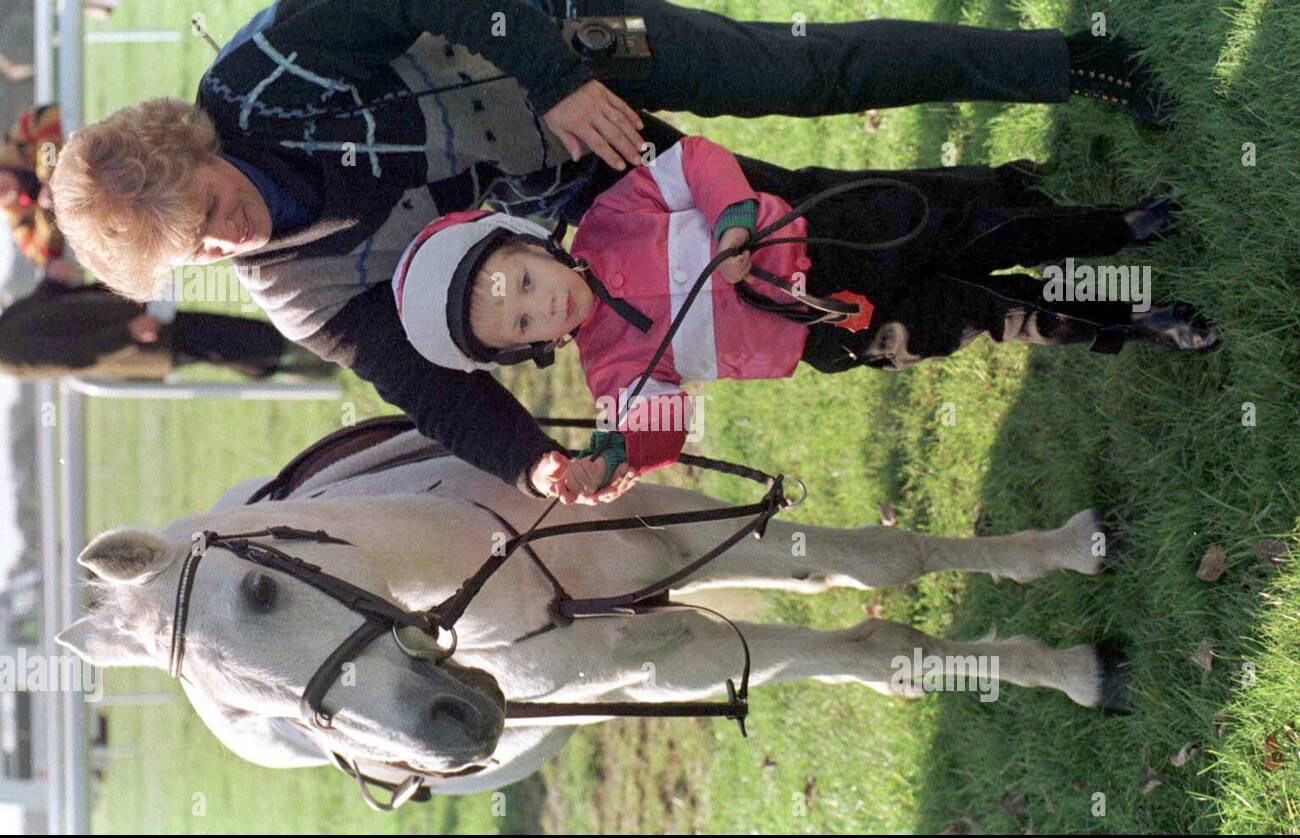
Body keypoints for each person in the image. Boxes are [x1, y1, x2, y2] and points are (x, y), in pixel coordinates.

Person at [48, 0, 1174, 502]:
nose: (222, 235)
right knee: (830, 243)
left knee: (795, 74)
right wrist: (530, 461)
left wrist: (557, 76)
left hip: (571, 44)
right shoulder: (290, 288)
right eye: (193, 251)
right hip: (606, 210)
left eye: (205, 204)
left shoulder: (265, 69)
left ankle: (1071, 64)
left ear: (187, 143)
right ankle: (1067, 243)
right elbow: (413, 380)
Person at [390, 135, 1219, 496]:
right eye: (525, 325)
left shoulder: (616, 213)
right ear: (527, 352)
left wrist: (733, 223)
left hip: (839, 231)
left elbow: (699, 164)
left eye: (524, 283)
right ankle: (1137, 318)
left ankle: (1117, 228)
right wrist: (614, 455)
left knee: (990, 231)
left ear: (532, 243)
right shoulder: (613, 366)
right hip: (842, 332)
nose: (544, 306)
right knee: (997, 312)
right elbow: (661, 425)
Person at [0, 277, 331, 382]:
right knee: (244, 341)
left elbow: (46, 304)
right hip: (148, 340)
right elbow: (71, 357)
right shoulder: (6, 353)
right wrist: (128, 334)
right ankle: (325, 357)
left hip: (147, 322)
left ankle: (319, 361)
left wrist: (51, 282)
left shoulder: (5, 324)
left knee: (239, 343)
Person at [1, 103, 64, 268]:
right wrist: (46, 210)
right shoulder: (21, 224)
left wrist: (48, 175)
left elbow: (48, 117)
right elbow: (45, 256)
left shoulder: (16, 143)